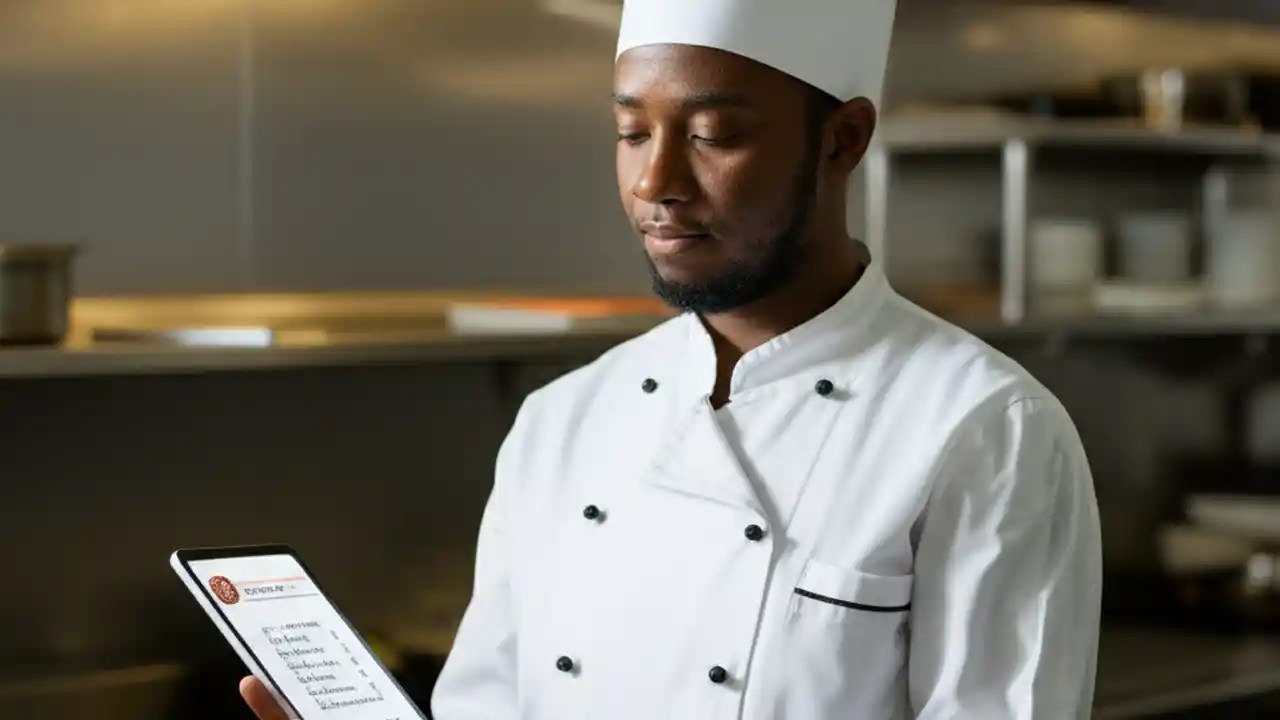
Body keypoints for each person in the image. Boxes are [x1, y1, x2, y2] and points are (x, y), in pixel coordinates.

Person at [240, 0, 1102, 717]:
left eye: (714, 134)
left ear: (842, 141)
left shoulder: (987, 431)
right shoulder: (564, 420)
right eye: (630, 132)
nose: (656, 184)